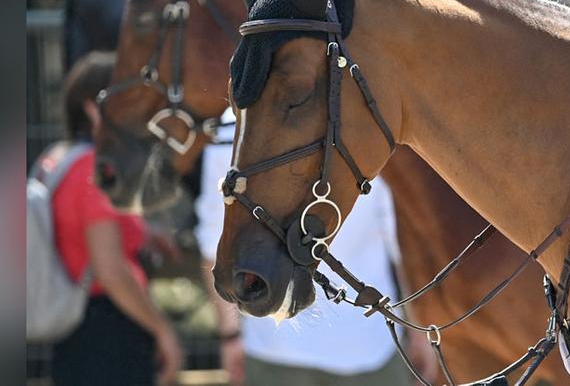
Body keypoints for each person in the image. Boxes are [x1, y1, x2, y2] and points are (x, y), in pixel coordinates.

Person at [195, 113, 432, 386]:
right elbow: (400, 244)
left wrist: (231, 336)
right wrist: (418, 331)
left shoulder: (236, 124)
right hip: (366, 344)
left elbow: (214, 243)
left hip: (275, 346)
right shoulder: (367, 119)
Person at [45, 50, 185, 386]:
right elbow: (111, 272)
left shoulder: (57, 160)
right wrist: (162, 330)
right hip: (109, 336)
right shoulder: (96, 171)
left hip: (73, 334)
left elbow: (75, 233)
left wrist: (142, 234)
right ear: (93, 108)